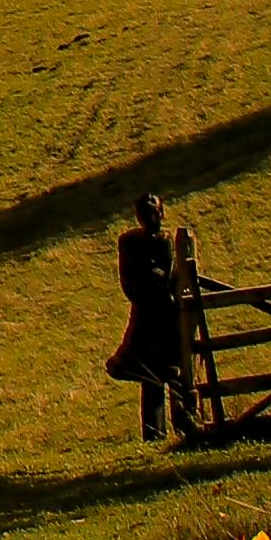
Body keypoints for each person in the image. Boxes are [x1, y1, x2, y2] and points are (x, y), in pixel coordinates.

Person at [110, 190, 194, 448]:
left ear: (161, 213)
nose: (151, 218)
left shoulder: (167, 240)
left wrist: (163, 285)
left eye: (154, 212)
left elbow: (173, 274)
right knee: (149, 374)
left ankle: (185, 423)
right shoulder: (129, 242)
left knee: (175, 370)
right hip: (146, 317)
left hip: (168, 315)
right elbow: (129, 280)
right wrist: (147, 284)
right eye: (145, 214)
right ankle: (153, 432)